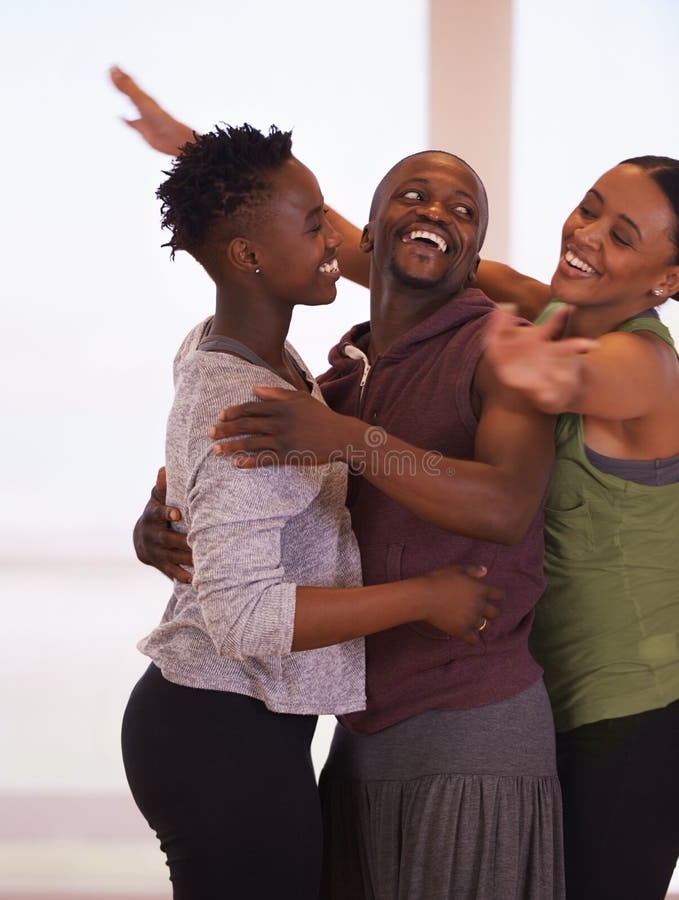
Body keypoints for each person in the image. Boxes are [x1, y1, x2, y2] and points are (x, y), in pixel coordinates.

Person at [116, 71, 565, 898]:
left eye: (464, 210)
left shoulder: (469, 353)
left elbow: (503, 504)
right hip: (294, 730)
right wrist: (160, 524)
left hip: (432, 727)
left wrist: (345, 443)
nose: (436, 212)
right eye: (413, 196)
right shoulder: (310, 385)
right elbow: (243, 592)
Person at [476, 156, 679, 900]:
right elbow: (405, 253)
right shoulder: (550, 312)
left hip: (637, 724)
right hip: (548, 709)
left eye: (620, 234)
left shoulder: (648, 365)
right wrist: (210, 165)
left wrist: (547, 376)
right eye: (588, 208)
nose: (585, 234)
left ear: (667, 278)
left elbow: (595, 377)